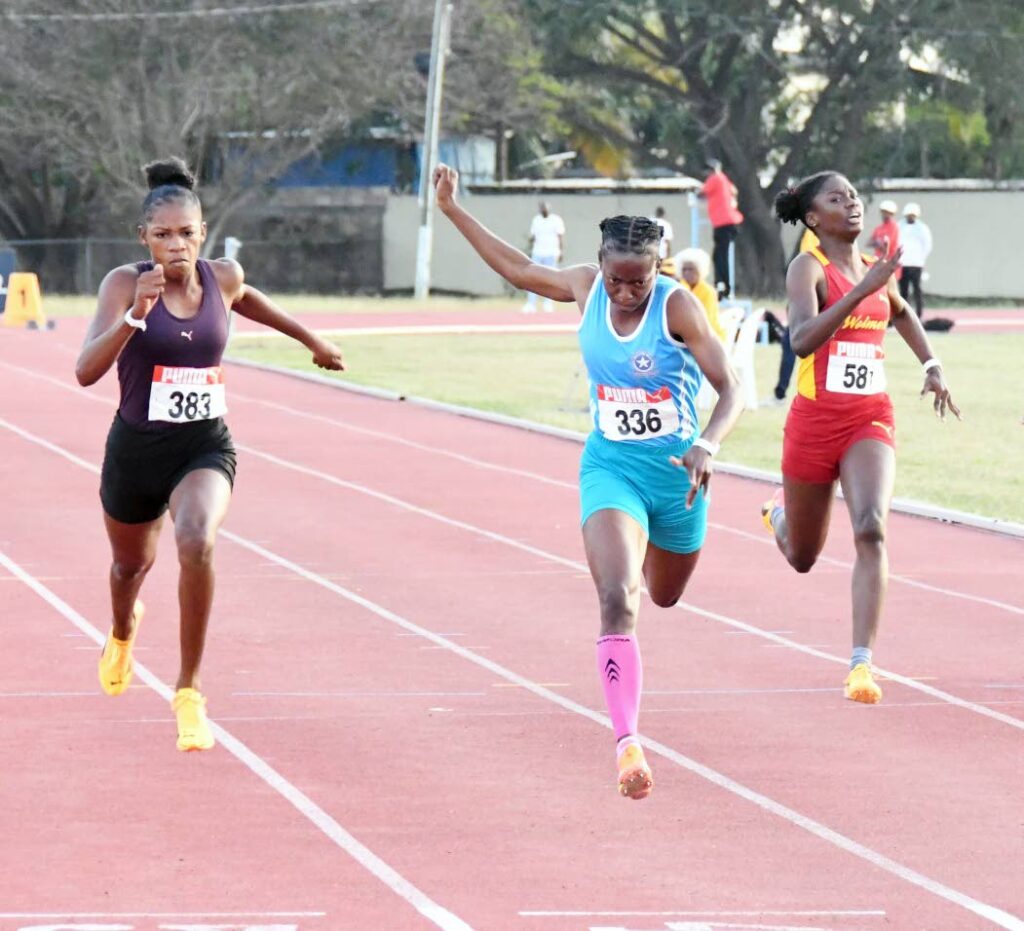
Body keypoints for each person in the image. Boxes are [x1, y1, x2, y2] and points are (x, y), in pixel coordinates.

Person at [433, 163, 742, 800]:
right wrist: (453, 210)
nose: (627, 293)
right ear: (599, 265)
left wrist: (708, 444)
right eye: (616, 279)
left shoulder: (677, 305)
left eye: (639, 280)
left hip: (677, 474)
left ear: (657, 269)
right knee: (616, 598)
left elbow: (732, 386)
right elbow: (518, 268)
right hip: (611, 466)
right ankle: (627, 742)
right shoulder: (585, 288)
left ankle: (630, 701)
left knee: (664, 596)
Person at [75, 157, 343, 751]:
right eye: (163, 234)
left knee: (196, 538)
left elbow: (251, 299)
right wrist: (134, 317)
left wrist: (312, 340)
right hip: (136, 451)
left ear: (203, 232)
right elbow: (84, 372)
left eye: (188, 233)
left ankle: (189, 691)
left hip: (204, 445)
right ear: (143, 237)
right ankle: (121, 632)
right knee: (129, 569)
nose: (177, 245)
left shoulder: (221, 278)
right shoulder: (125, 284)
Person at [764, 171, 959, 704]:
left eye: (854, 196)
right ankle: (778, 513)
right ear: (812, 218)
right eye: (836, 198)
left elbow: (901, 312)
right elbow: (801, 340)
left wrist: (932, 364)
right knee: (803, 555)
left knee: (871, 527)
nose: (851, 204)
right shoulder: (808, 268)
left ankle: (860, 667)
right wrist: (860, 294)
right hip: (813, 423)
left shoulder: (876, 270)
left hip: (868, 419)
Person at [699, 159, 744, 298]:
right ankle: (723, 285)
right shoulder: (724, 179)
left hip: (723, 222)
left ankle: (723, 286)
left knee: (719, 257)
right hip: (729, 222)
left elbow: (701, 193)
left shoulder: (715, 178)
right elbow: (734, 191)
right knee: (720, 256)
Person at [522, 200, 565, 313]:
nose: (543, 210)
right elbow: (533, 236)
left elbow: (560, 236)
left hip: (551, 253)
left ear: (549, 208)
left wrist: (560, 251)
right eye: (541, 208)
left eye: (545, 208)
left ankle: (548, 304)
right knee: (533, 279)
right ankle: (531, 304)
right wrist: (529, 239)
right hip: (538, 252)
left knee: (551, 280)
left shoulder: (556, 220)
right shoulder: (536, 220)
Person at [677, 247, 726, 342]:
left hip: (710, 337)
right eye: (684, 270)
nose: (687, 273)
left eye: (691, 269)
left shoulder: (708, 291)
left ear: (700, 270)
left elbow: (708, 320)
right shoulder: (679, 288)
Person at [898, 202, 932, 318]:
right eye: (909, 215)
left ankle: (919, 314)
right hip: (902, 263)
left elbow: (927, 245)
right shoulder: (899, 226)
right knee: (903, 291)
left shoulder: (922, 228)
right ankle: (904, 315)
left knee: (917, 290)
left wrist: (921, 259)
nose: (911, 217)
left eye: (913, 215)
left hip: (916, 263)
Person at [868, 199, 900, 266]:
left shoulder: (894, 227)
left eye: (887, 212)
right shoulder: (879, 228)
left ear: (892, 214)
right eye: (883, 212)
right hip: (877, 261)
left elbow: (886, 247)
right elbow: (869, 242)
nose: (884, 214)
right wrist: (878, 243)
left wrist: (877, 242)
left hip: (888, 262)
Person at [651, 206, 675, 277]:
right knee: (661, 275)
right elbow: (668, 242)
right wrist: (668, 258)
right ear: (664, 215)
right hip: (661, 255)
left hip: (649, 254)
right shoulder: (666, 224)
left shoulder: (650, 222)